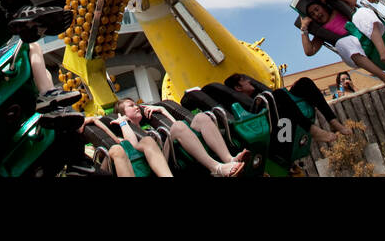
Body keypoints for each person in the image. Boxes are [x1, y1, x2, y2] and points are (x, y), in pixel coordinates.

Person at [298, 0, 385, 85]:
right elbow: (309, 51)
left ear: (323, 7)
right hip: (356, 50)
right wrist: (304, 29)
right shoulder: (322, 32)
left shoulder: (338, 10)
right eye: (313, 15)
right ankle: (384, 77)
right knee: (342, 43)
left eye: (317, 9)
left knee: (360, 14)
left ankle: (383, 52)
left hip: (368, 33)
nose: (317, 14)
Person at [113, 97, 246, 176]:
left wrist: (163, 111)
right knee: (174, 128)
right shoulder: (125, 132)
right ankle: (216, 168)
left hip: (172, 150)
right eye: (131, 106)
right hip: (156, 164)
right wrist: (123, 123)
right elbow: (132, 146)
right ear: (122, 113)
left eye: (136, 105)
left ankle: (229, 159)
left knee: (200, 117)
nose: (136, 107)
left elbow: (177, 126)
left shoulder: (148, 127)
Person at [224, 73, 359, 146]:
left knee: (304, 82)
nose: (249, 80)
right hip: (277, 131)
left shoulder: (261, 93)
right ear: (238, 88)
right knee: (277, 94)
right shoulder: (246, 105)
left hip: (285, 112)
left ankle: (333, 121)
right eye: (244, 80)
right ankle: (312, 130)